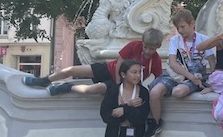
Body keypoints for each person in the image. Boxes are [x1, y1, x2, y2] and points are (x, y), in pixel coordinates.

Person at [23, 28, 163, 96]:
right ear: (143, 42)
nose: (147, 51)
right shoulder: (134, 45)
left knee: (92, 90)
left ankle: (68, 87)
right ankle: (45, 80)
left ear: (157, 48)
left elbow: (158, 78)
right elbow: (120, 62)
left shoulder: (156, 60)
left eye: (151, 49)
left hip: (123, 84)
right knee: (72, 70)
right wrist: (118, 80)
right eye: (146, 47)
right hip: (110, 70)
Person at [145, 8, 216, 137]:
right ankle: (155, 122)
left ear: (192, 23)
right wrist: (190, 77)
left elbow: (212, 63)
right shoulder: (175, 40)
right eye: (178, 28)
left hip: (196, 76)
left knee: (178, 92)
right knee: (154, 93)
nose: (181, 31)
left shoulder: (204, 39)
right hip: (176, 75)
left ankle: (190, 87)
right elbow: (173, 63)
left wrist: (213, 84)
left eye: (183, 27)